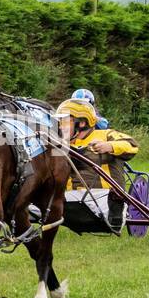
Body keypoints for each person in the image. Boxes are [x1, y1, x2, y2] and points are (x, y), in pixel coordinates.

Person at [54, 97, 138, 227]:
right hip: (70, 197)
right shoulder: (61, 142)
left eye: (65, 122)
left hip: (104, 195)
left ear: (82, 123)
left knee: (109, 206)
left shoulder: (105, 134)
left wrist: (109, 146)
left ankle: (116, 210)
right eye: (60, 121)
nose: (60, 126)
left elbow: (132, 145)